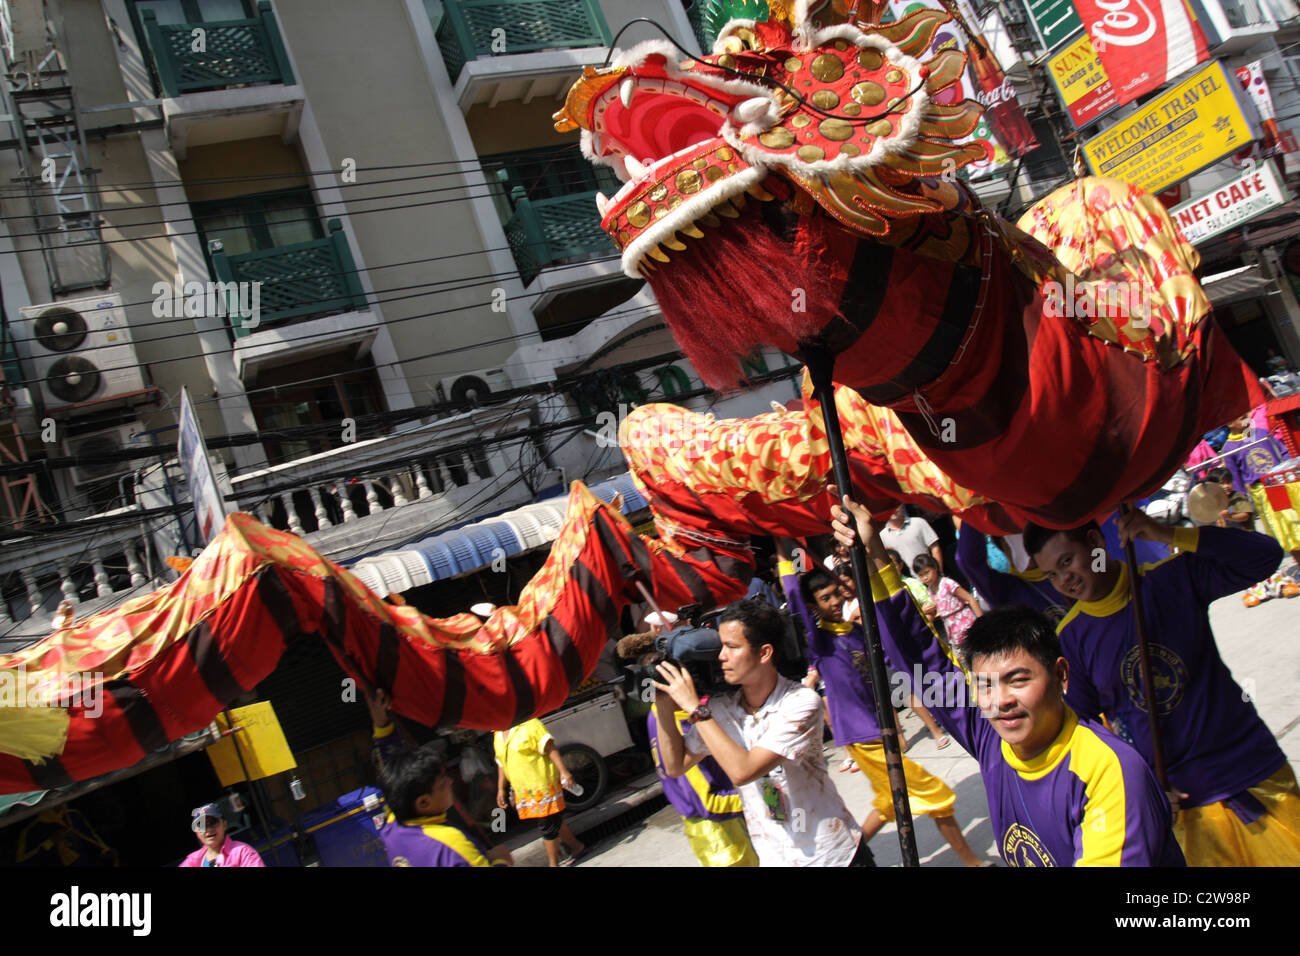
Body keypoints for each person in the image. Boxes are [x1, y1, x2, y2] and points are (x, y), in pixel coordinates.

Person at [829, 490, 1185, 867]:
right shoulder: (992, 738)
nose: (1000, 701)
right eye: (984, 685)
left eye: (1017, 680)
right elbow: (923, 660)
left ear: (1061, 675)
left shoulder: (1107, 770)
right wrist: (872, 555)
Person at [1023, 512, 1300, 866]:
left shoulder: (1171, 580)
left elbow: (1263, 556)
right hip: (1180, 805)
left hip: (1253, 771)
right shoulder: (1071, 639)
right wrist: (1142, 789)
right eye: (1052, 574)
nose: (1064, 580)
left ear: (1094, 544)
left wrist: (1166, 532)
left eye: (1067, 561)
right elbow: (1085, 732)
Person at [782, 555, 980, 864]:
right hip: (860, 735)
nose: (835, 601)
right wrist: (785, 550)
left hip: (877, 730)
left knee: (889, 804)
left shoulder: (858, 632)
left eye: (836, 592)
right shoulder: (819, 640)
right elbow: (794, 596)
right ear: (813, 607)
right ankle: (974, 862)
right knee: (936, 794)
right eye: (825, 598)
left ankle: (847, 858)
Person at [652, 598, 872, 866]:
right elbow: (675, 766)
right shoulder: (724, 709)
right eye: (721, 647)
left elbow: (743, 771)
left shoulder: (799, 703)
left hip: (833, 855)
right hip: (775, 857)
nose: (721, 656)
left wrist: (694, 709)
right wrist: (662, 703)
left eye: (732, 647)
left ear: (765, 653)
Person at [368, 688, 512, 867]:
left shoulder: (393, 826)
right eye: (443, 782)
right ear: (423, 803)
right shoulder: (451, 844)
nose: (450, 781)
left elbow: (389, 759)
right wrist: (501, 860)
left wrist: (380, 720)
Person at [647, 689, 759, 867]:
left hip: (723, 824)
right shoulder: (677, 724)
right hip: (721, 834)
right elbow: (708, 803)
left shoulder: (660, 712)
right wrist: (760, 800)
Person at [495, 718, 588, 867]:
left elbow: (550, 748)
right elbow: (501, 763)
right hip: (525, 790)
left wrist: (564, 772)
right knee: (552, 819)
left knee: (547, 825)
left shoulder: (530, 725)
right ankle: (577, 847)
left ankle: (553, 864)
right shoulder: (497, 735)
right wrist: (501, 788)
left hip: (543, 785)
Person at [913, 554, 983, 648]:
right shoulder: (930, 590)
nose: (925, 577)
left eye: (927, 572)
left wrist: (982, 622)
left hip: (966, 624)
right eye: (921, 575)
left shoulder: (947, 583)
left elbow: (970, 599)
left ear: (935, 568)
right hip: (952, 631)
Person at [180, 803, 265, 867]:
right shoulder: (191, 862)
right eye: (202, 826)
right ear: (196, 832)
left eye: (213, 823)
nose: (208, 829)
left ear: (224, 824)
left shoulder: (243, 853)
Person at [879, 505, 944, 575]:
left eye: (895, 506)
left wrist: (938, 574)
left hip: (929, 577)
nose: (893, 511)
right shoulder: (882, 536)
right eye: (888, 508)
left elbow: (935, 548)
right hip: (906, 582)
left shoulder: (918, 523)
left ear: (901, 505)